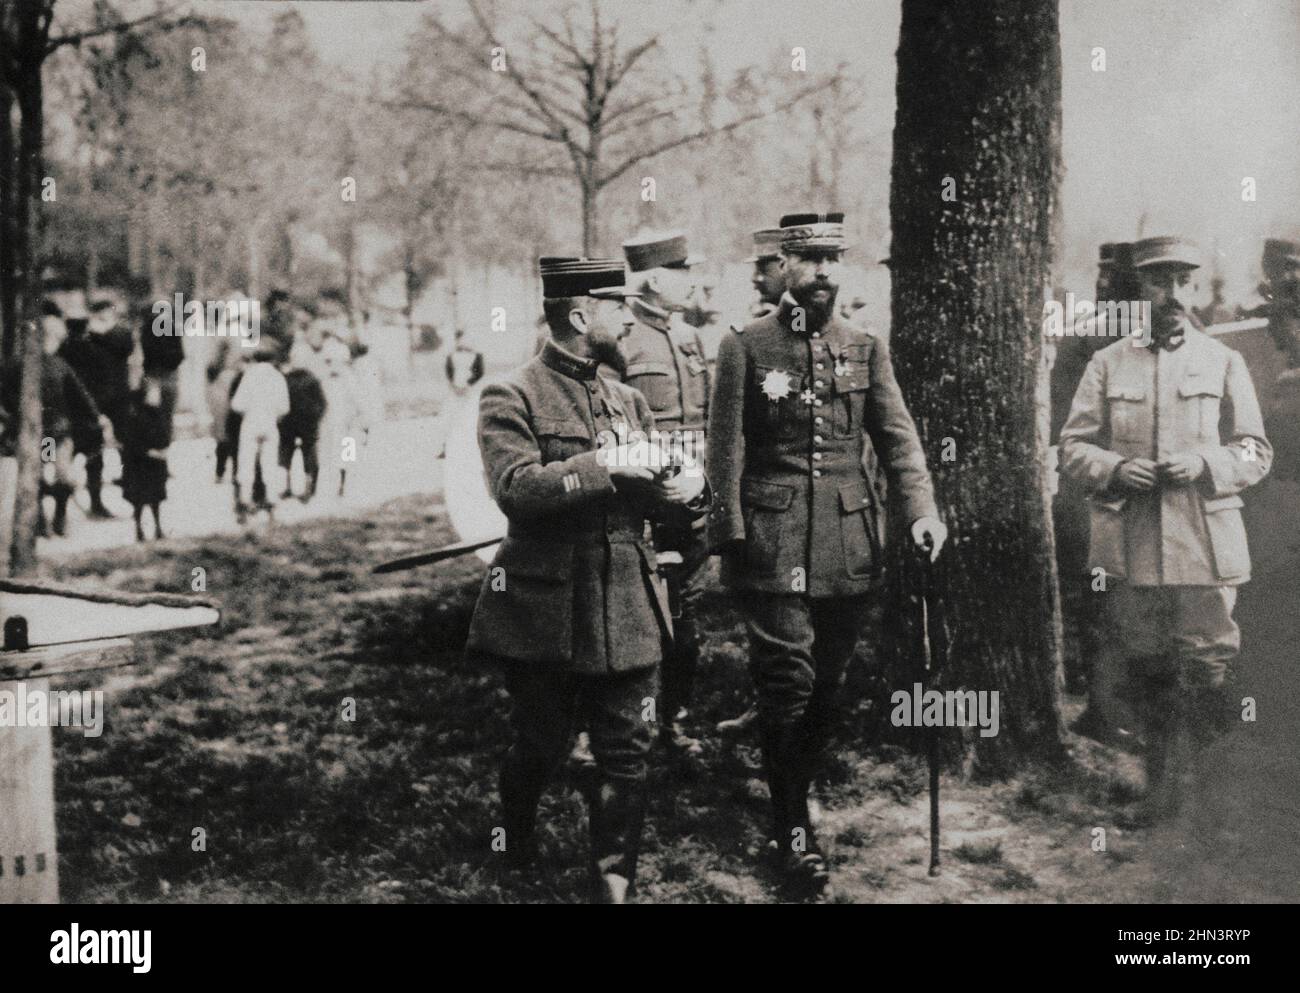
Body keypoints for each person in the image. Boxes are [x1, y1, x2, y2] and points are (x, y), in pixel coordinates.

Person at [707, 212, 946, 895]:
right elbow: (725, 452)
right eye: (810, 258)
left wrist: (922, 513)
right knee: (786, 684)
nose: (823, 272)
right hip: (774, 540)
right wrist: (731, 539)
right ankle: (791, 828)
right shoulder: (745, 346)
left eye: (834, 258)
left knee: (827, 688)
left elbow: (898, 441)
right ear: (783, 266)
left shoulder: (865, 346)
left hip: (849, 541)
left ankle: (795, 784)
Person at [466, 256, 708, 904]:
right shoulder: (510, 394)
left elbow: (659, 495)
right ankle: (516, 837)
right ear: (579, 315)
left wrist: (684, 491)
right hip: (547, 606)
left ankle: (612, 890)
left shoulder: (627, 399)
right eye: (615, 307)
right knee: (541, 744)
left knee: (628, 750)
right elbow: (516, 491)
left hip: (627, 599)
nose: (628, 317)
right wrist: (605, 466)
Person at [1060, 234, 1271, 824]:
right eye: (1159, 281)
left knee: (1207, 669)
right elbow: (1072, 448)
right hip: (1134, 547)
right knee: (1150, 667)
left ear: (1195, 287)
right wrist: (1116, 468)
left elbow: (1255, 451)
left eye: (1183, 281)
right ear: (1140, 287)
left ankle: (1211, 797)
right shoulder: (1107, 363)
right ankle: (1160, 796)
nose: (1172, 294)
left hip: (1205, 544)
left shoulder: (1223, 362)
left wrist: (1207, 465)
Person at [619, 229, 712, 761]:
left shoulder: (686, 338)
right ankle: (608, 731)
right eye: (683, 272)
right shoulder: (621, 338)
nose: (692, 281)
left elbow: (703, 423)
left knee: (686, 625)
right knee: (630, 624)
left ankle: (671, 723)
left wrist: (699, 485)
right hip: (640, 509)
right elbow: (604, 426)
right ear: (655, 280)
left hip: (688, 505)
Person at [718, 227, 790, 737]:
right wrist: (729, 529)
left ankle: (773, 709)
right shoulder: (746, 342)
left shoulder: (854, 341)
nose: (756, 275)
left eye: (766, 265)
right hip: (767, 518)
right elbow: (728, 440)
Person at [61, 296, 135, 518]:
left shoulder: (63, 350)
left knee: (61, 461)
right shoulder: (95, 352)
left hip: (68, 413)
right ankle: (95, 503)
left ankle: (59, 512)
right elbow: (105, 383)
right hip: (89, 411)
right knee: (94, 460)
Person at [229, 342, 290, 520]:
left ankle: (245, 502)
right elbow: (285, 407)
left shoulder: (249, 375)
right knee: (269, 463)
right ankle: (271, 502)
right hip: (270, 423)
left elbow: (237, 404)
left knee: (246, 463)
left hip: (251, 422)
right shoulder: (278, 377)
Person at [119, 377, 170, 541]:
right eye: (154, 393)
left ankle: (158, 528)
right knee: (139, 500)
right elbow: (131, 443)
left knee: (156, 500)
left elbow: (165, 436)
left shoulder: (158, 414)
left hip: (155, 465)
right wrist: (149, 452)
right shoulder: (135, 416)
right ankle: (139, 529)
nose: (157, 396)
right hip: (140, 466)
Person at [277, 351, 327, 502]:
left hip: (292, 424)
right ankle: (306, 488)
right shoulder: (310, 379)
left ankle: (294, 488)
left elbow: (321, 404)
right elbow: (322, 404)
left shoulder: (287, 379)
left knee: (290, 457)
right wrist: (314, 417)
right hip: (301, 424)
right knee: (304, 457)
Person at [435, 329, 485, 459]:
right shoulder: (452, 355)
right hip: (454, 390)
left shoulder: (476, 356)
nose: (463, 341)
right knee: (450, 418)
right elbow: (449, 371)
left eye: (465, 338)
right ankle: (447, 447)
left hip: (470, 390)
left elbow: (479, 373)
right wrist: (454, 386)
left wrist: (468, 385)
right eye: (460, 338)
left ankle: (471, 449)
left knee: (470, 417)